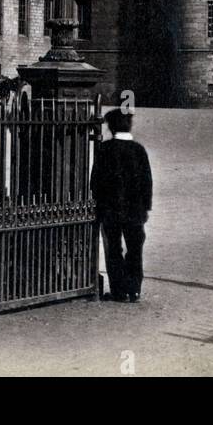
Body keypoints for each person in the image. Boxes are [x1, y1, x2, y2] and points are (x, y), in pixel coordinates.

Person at [91, 108, 153, 303]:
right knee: (135, 249)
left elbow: (95, 182)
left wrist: (99, 204)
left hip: (110, 211)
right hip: (135, 212)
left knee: (114, 250)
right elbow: (147, 182)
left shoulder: (105, 149)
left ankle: (118, 290)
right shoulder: (139, 150)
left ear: (111, 127)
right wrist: (145, 208)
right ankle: (134, 289)